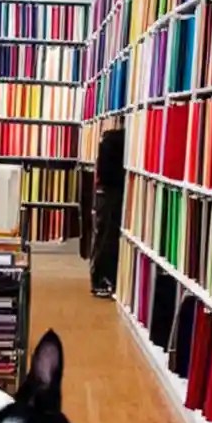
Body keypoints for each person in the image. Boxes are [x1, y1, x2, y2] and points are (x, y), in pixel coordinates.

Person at [90, 118, 125, 297]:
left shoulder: (109, 139)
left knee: (102, 235)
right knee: (107, 237)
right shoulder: (117, 141)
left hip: (105, 192)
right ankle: (101, 280)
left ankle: (99, 279)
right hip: (111, 193)